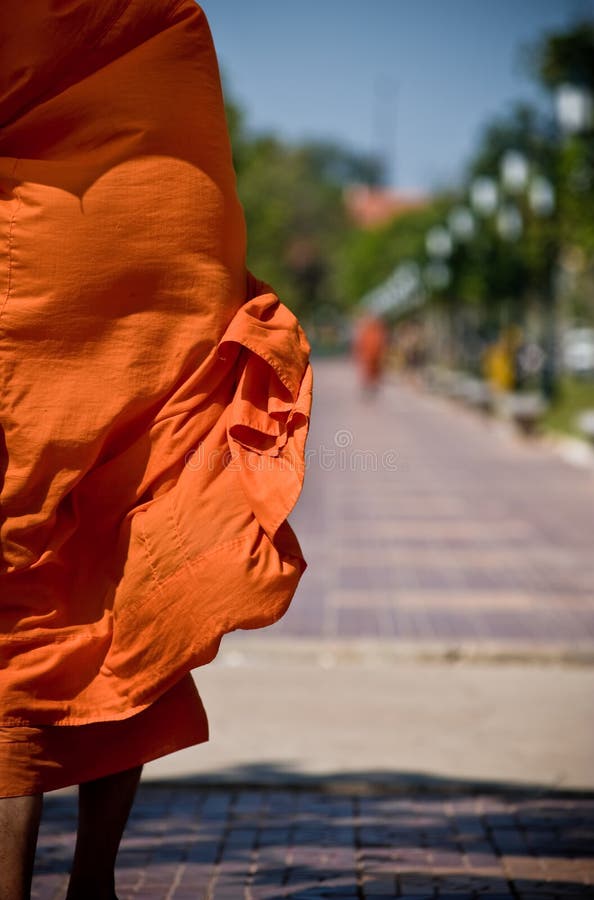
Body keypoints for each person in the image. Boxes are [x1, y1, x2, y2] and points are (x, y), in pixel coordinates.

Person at [0, 2, 313, 898]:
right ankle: (92, 878)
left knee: (21, 579)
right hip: (178, 242)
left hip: (41, 251)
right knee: (141, 534)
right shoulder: (170, 16)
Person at [352, 313, 390, 395]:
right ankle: (368, 387)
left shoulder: (377, 330)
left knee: (374, 372)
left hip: (374, 355)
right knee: (367, 372)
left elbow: (381, 342)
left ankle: (371, 387)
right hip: (368, 355)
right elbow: (360, 344)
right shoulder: (367, 330)